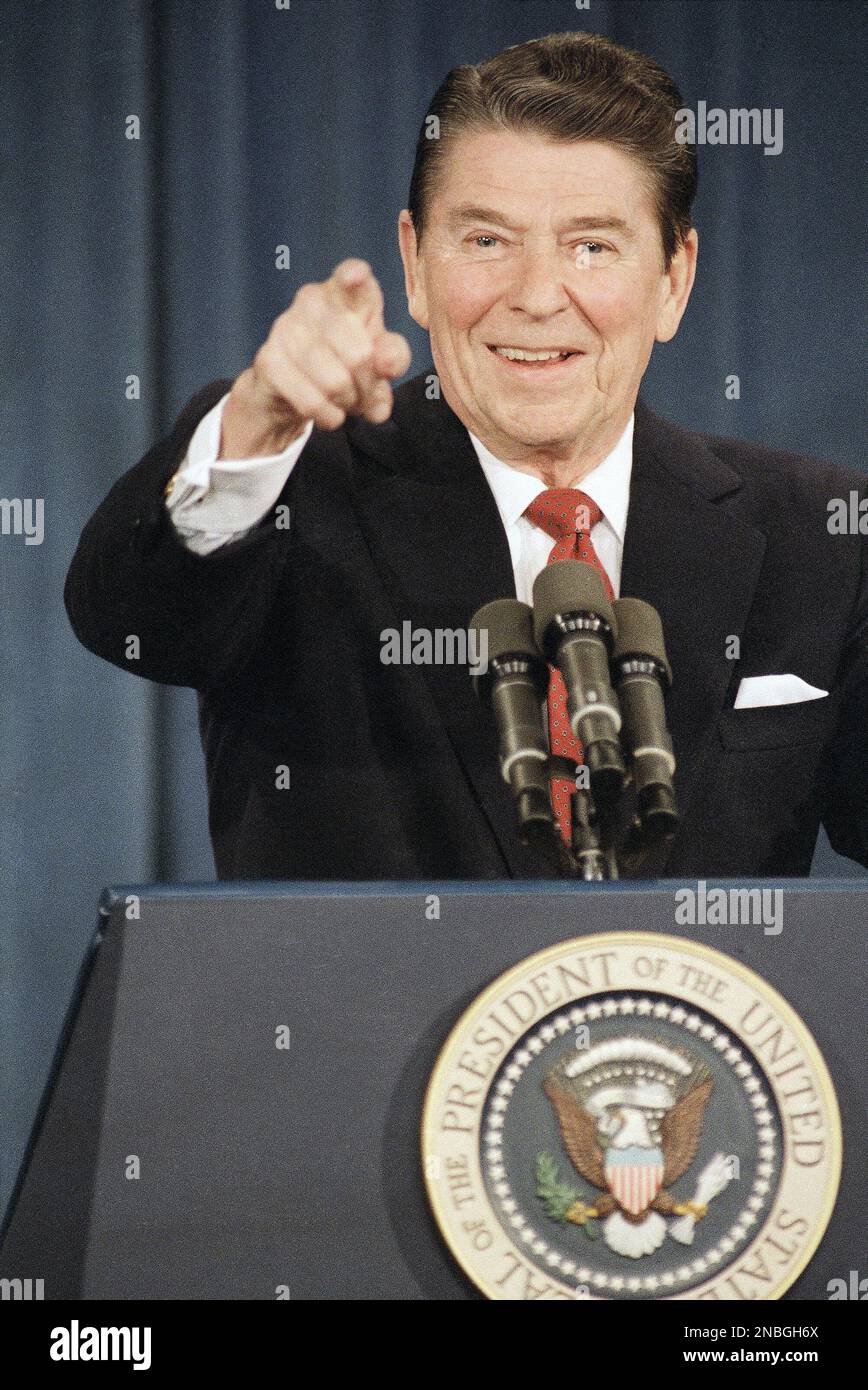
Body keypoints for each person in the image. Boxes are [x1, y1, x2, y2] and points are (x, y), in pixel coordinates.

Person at [65, 31, 868, 880]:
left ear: (674, 279)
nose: (533, 295)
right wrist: (257, 423)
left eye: (590, 246)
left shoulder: (816, 535)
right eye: (487, 241)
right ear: (415, 263)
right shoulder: (296, 494)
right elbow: (130, 614)